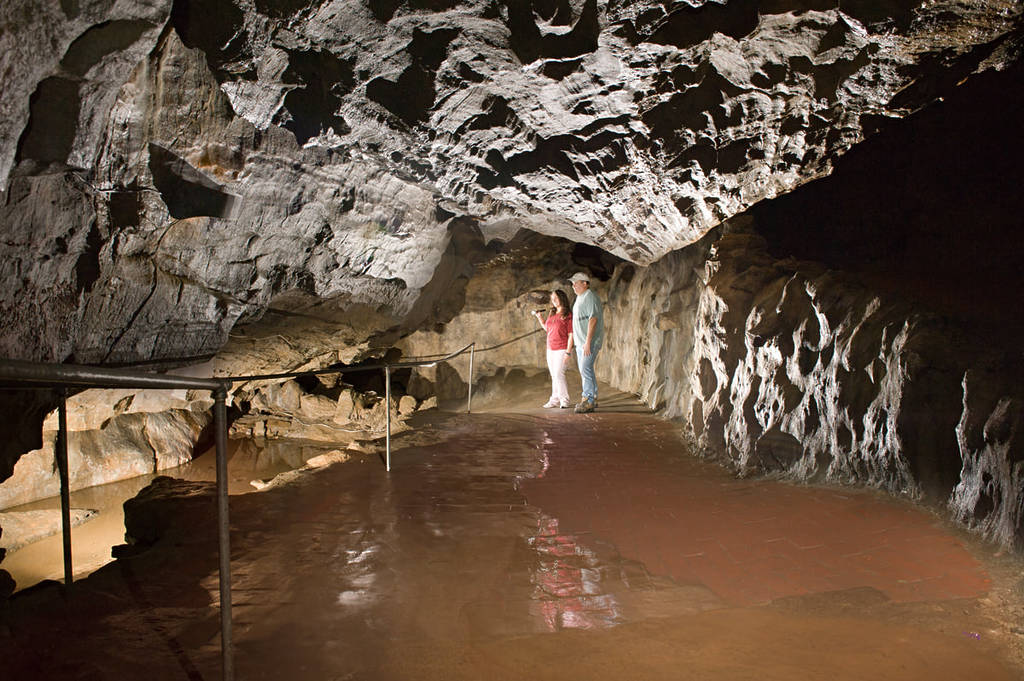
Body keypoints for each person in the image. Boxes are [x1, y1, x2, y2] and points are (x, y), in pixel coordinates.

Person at [567, 272, 603, 413]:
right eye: (572, 283)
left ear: (585, 283)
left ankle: (587, 399)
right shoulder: (579, 298)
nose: (573, 285)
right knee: (586, 369)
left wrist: (588, 342)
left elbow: (593, 319)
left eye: (576, 282)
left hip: (590, 342)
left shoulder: (590, 297)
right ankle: (592, 397)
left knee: (584, 368)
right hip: (581, 342)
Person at [532, 289, 573, 408]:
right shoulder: (552, 313)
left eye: (556, 298)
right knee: (554, 375)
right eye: (552, 299)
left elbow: (571, 334)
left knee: (559, 373)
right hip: (550, 349)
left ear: (561, 298)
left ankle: (564, 400)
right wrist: (540, 318)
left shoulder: (567, 314)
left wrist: (568, 352)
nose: (553, 301)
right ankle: (554, 399)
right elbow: (548, 329)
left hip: (561, 348)